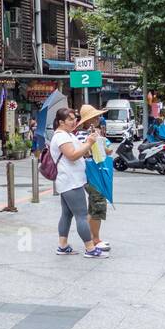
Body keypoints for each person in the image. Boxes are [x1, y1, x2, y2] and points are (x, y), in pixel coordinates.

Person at [48, 107, 102, 258]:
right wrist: (89, 142)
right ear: (61, 122)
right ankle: (90, 249)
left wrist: (88, 142)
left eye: (75, 118)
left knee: (66, 214)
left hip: (70, 180)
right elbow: (72, 155)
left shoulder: (67, 135)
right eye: (70, 119)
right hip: (71, 181)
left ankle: (63, 245)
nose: (74, 122)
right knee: (81, 216)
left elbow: (81, 151)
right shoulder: (61, 137)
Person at [75, 104, 111, 253]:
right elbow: (85, 152)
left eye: (97, 116)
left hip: (98, 171)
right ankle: (94, 239)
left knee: (95, 205)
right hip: (91, 174)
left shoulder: (95, 133)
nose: (97, 119)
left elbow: (106, 151)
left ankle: (92, 237)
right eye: (94, 117)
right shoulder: (82, 135)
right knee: (98, 203)